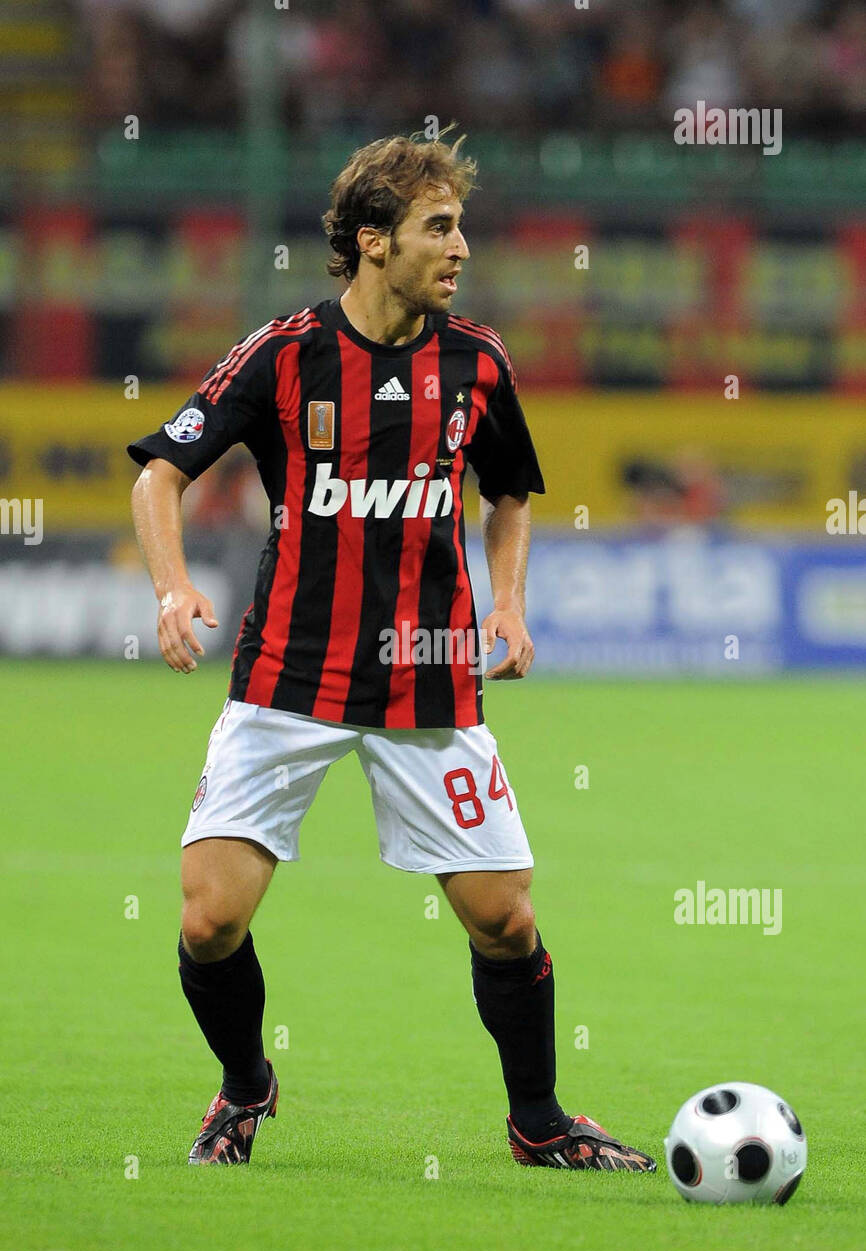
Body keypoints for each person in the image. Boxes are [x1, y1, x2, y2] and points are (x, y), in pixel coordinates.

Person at [129, 129, 656, 1174]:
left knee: (505, 919)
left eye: (460, 227)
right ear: (373, 241)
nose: (459, 248)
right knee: (206, 922)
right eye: (438, 228)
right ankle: (245, 1085)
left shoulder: (476, 361)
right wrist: (173, 585)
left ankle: (539, 1122)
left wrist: (506, 606)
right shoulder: (284, 354)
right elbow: (159, 473)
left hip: (428, 680)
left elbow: (507, 490)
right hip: (288, 676)